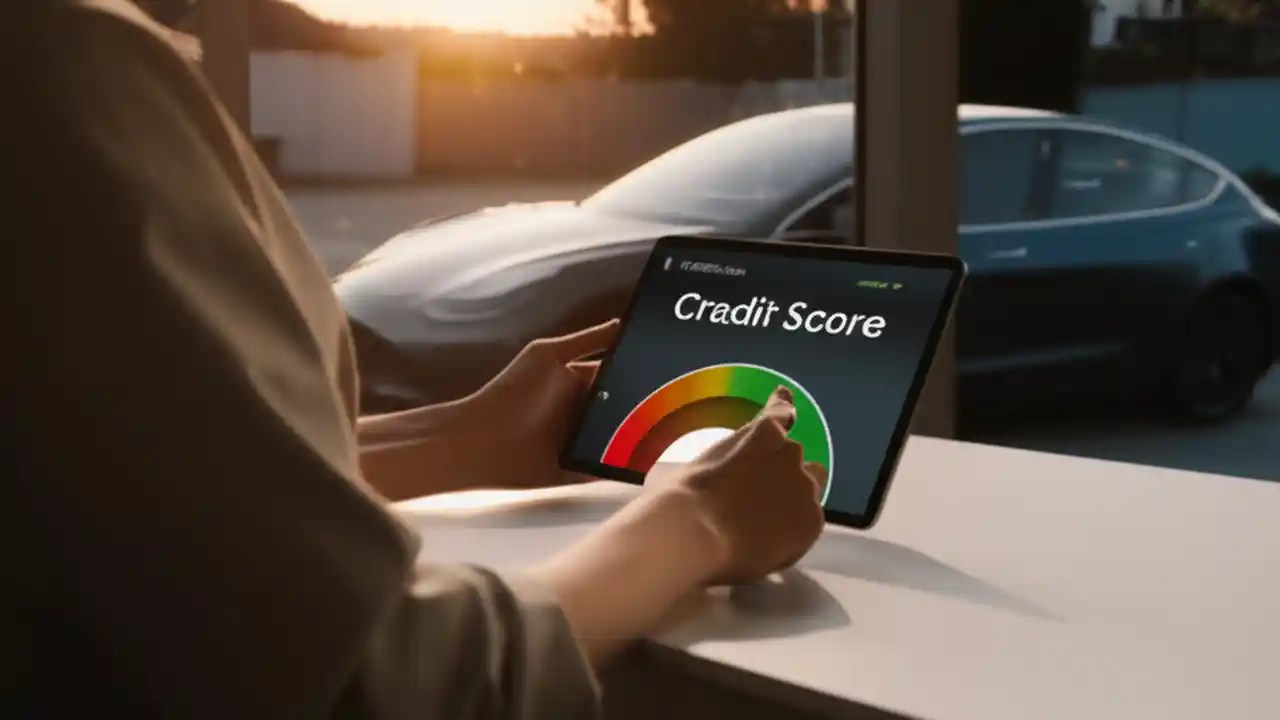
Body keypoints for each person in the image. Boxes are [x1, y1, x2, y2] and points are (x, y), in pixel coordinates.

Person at [5, 1, 826, 717]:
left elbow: (129, 494)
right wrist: (699, 521)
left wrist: (467, 435)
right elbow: (366, 684)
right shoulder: (60, 62)